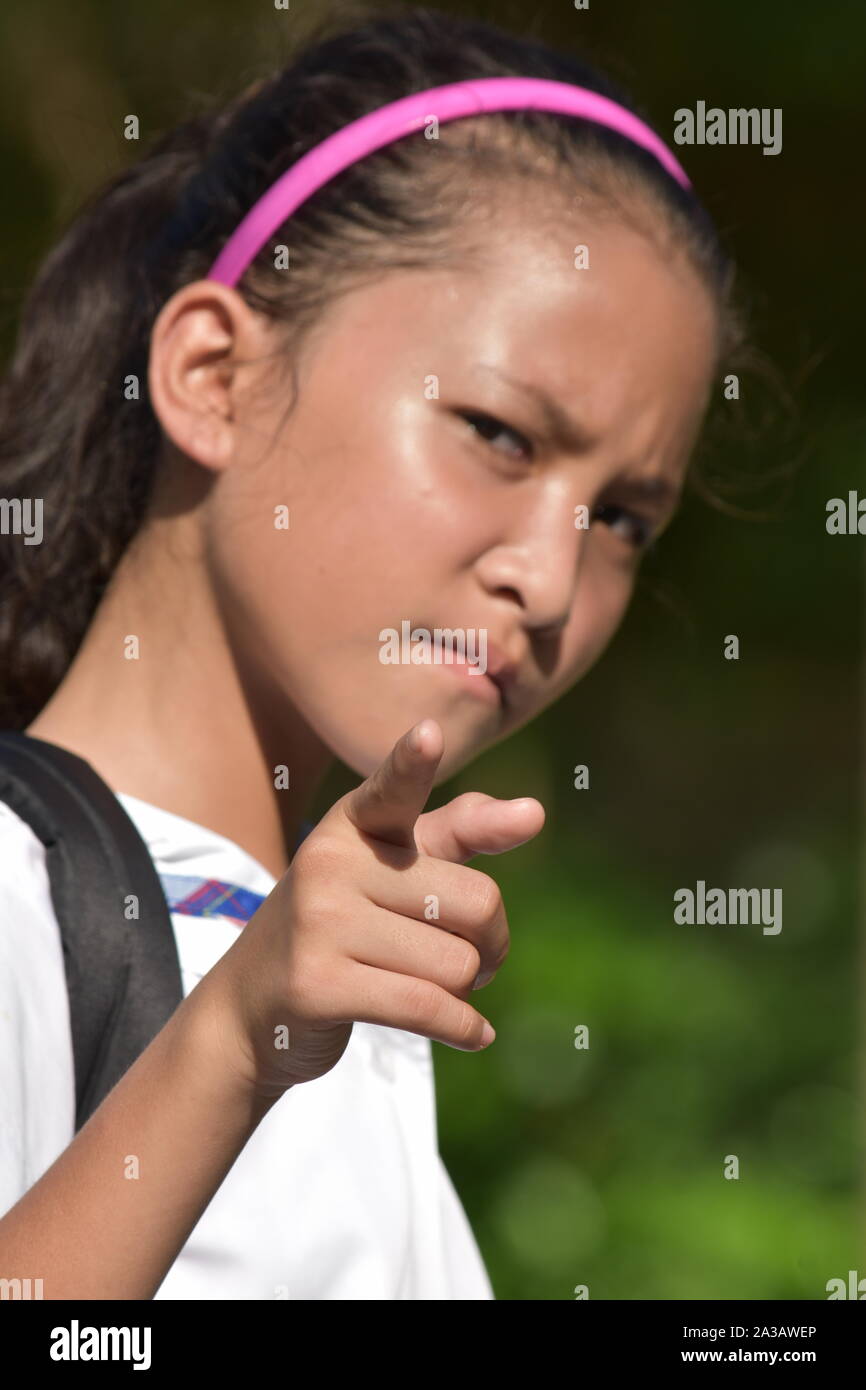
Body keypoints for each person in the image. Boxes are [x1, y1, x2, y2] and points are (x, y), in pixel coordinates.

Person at [0, 4, 744, 1299]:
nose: (552, 578)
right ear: (213, 376)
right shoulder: (26, 907)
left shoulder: (349, 990)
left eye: (622, 517)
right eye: (501, 434)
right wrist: (224, 1045)